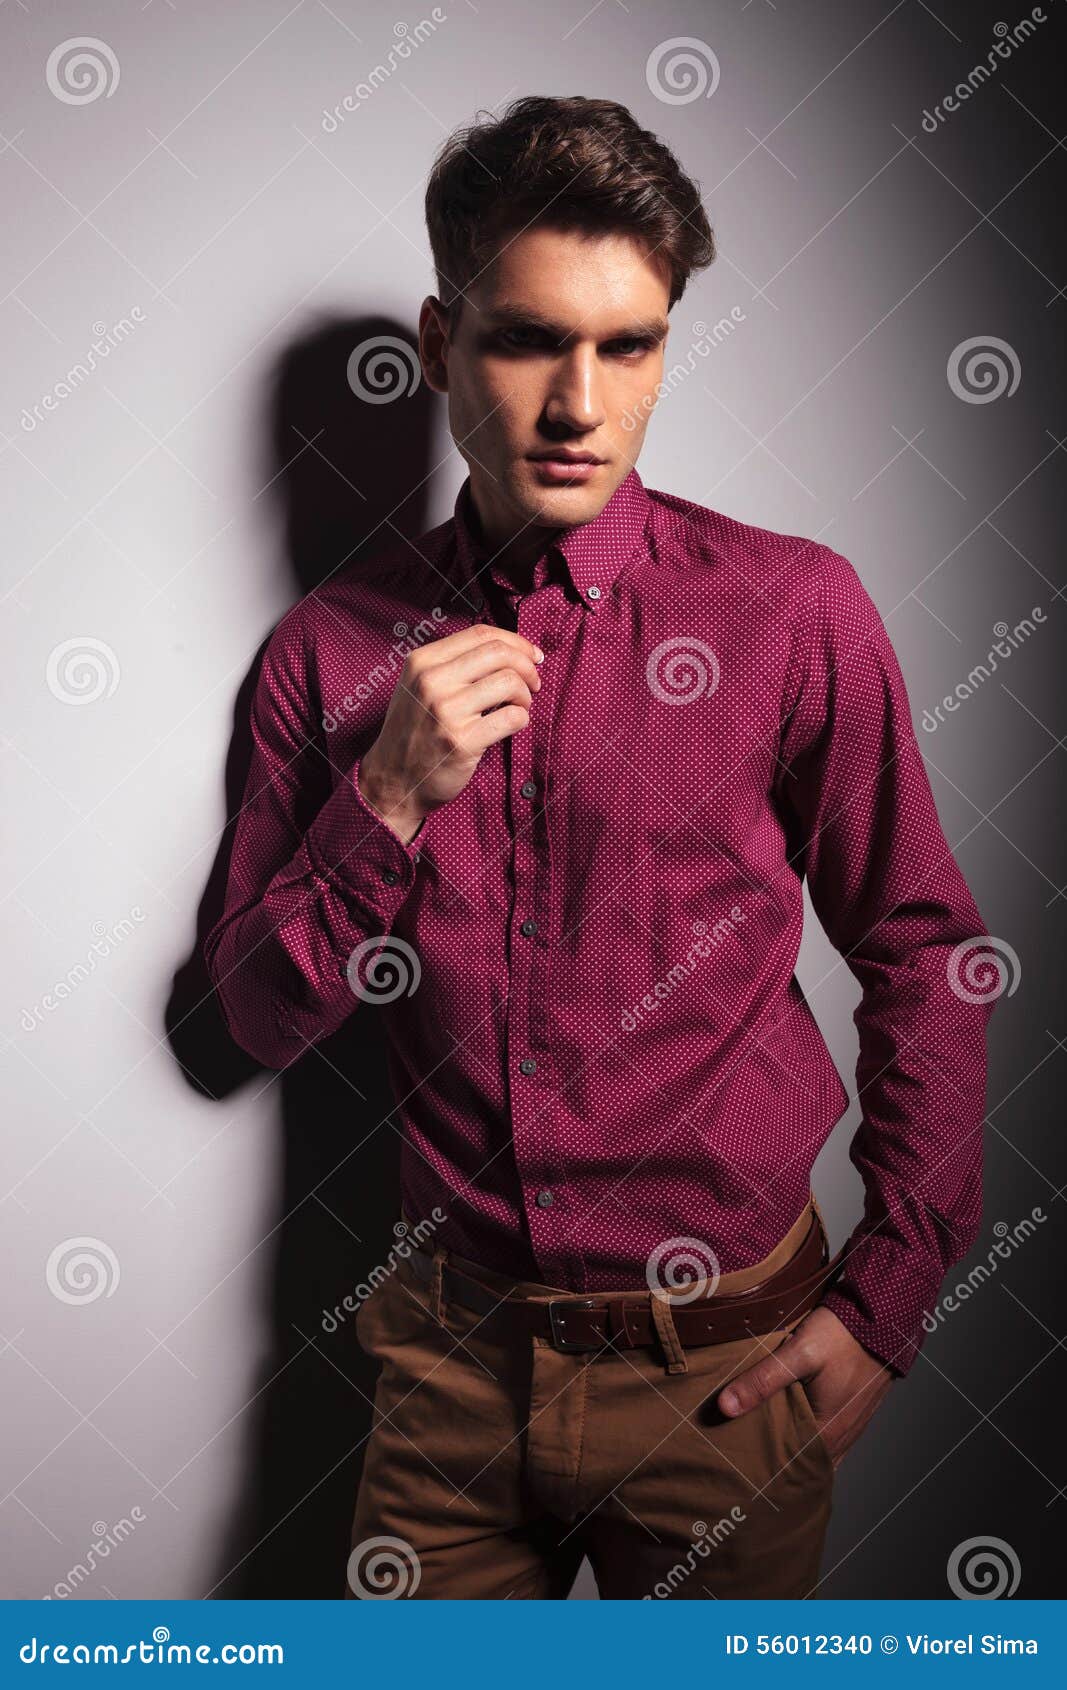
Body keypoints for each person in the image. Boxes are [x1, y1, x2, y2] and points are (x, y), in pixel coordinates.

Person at [204, 95, 996, 1600]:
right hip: (442, 1377)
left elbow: (925, 946)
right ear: (440, 347)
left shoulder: (791, 614)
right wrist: (385, 800)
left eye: (627, 346)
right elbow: (244, 1018)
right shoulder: (327, 654)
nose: (579, 401)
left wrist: (889, 1291)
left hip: (723, 1378)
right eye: (525, 339)